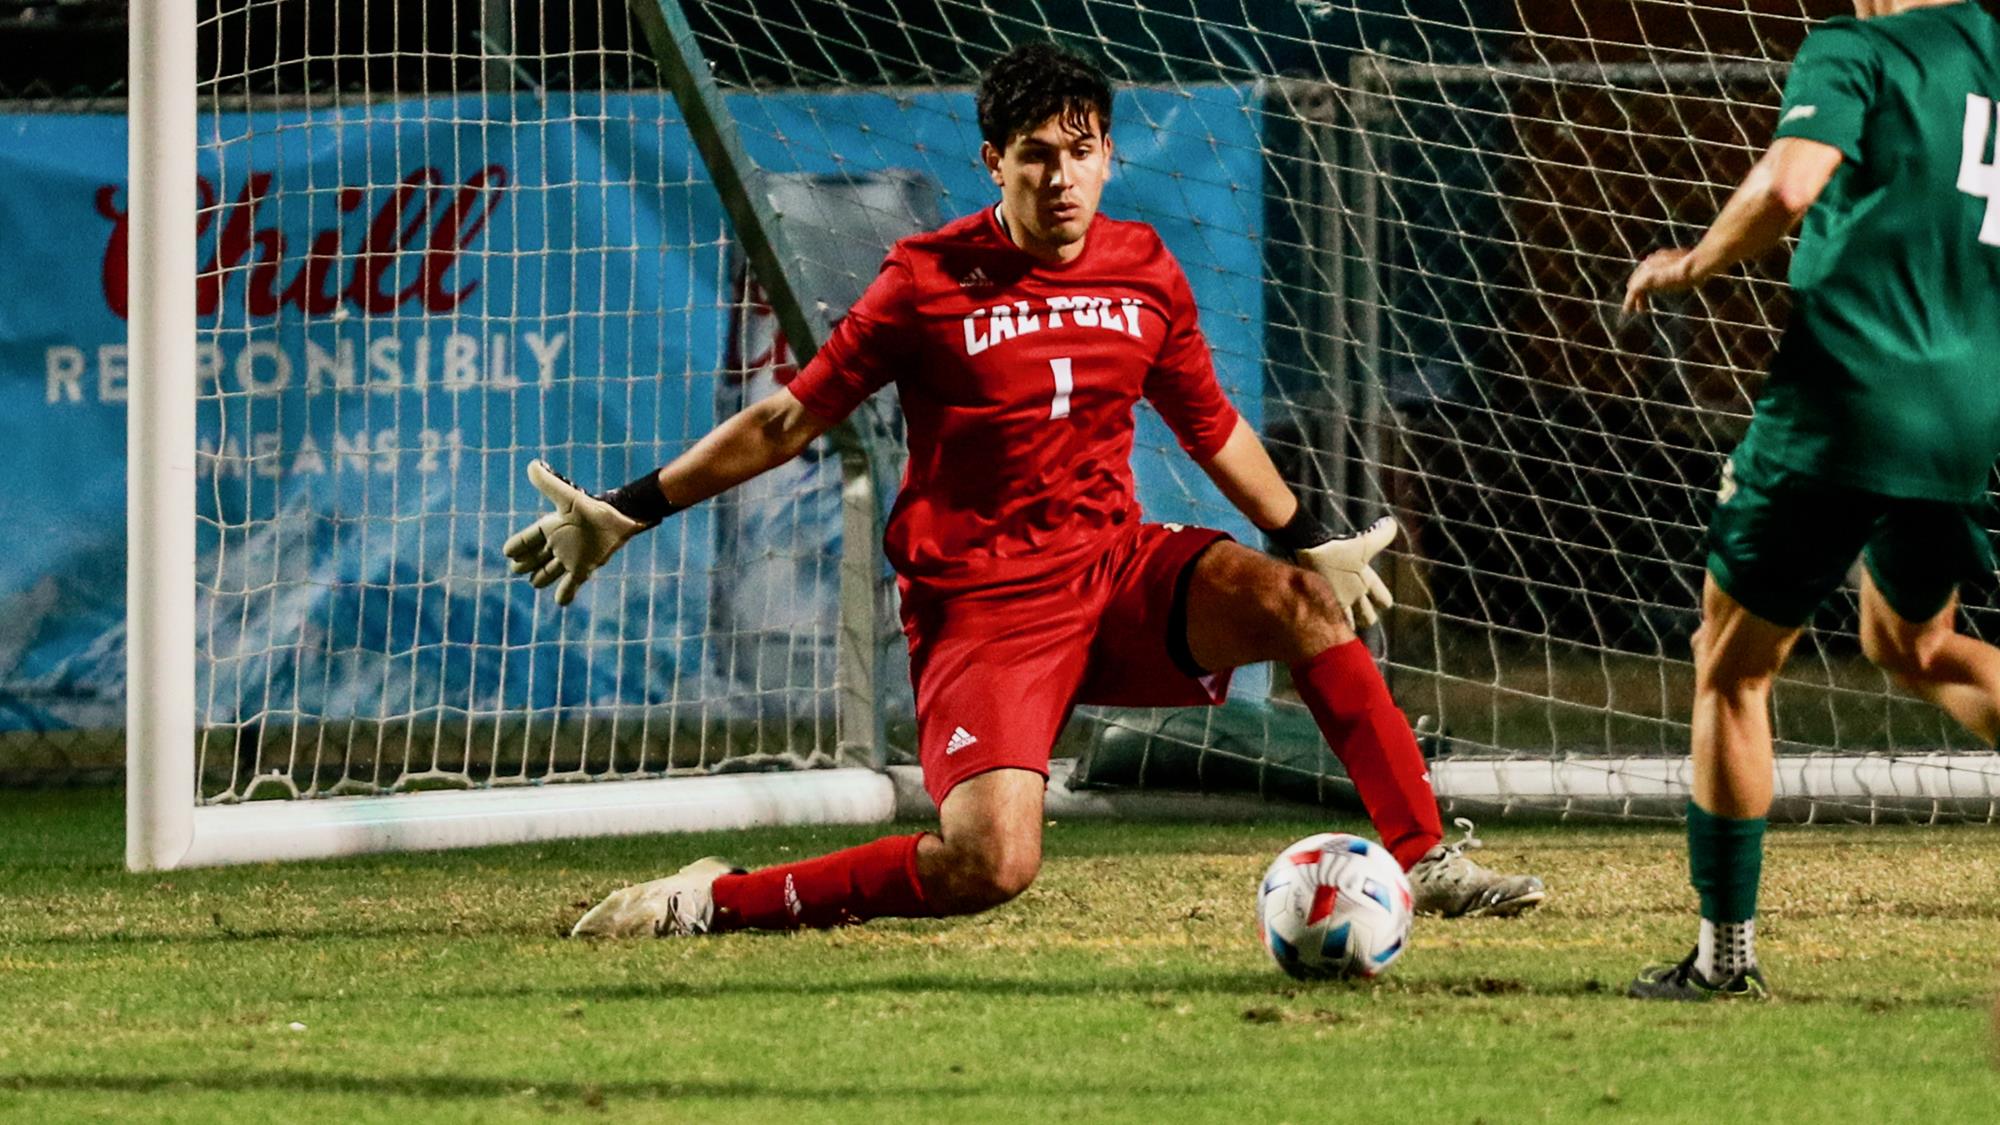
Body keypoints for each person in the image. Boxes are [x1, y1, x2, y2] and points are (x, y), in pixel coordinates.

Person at [506, 41, 1545, 940]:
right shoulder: (923, 278)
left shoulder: (1143, 266)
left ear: (1108, 156)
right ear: (993, 161)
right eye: (1036, 154)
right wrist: (630, 508)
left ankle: (1424, 857)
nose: (1061, 177)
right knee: (988, 865)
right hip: (984, 609)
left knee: (1302, 604)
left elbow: (1212, 426)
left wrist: (1308, 534)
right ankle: (712, 899)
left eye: (1080, 151)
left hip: (1113, 572)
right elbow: (788, 418)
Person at [1622, 0, 2000, 1000]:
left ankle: (1721, 960)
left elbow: (1790, 184)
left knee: (1729, 664)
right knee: (1914, 645)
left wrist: (1690, 263)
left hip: (1844, 399)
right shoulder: (1988, 48)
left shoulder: (1851, 51)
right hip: (1966, 407)